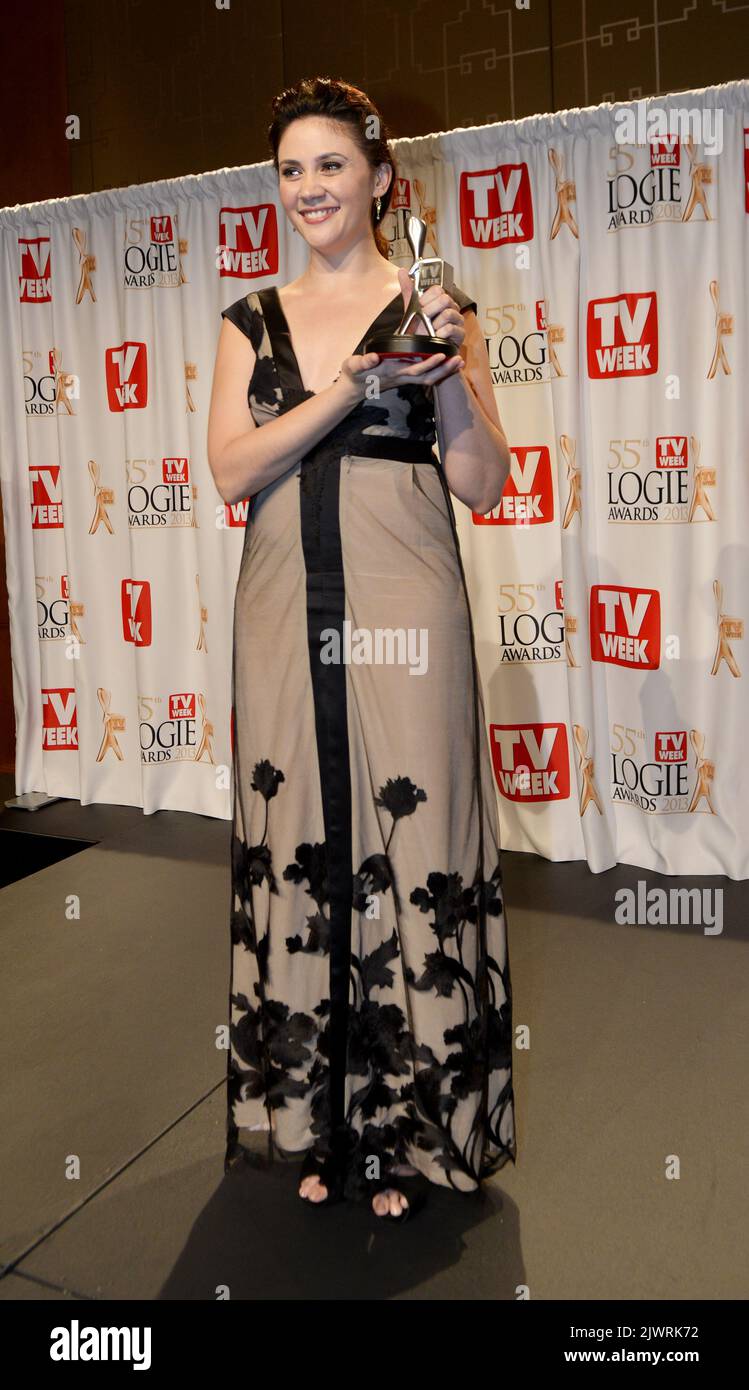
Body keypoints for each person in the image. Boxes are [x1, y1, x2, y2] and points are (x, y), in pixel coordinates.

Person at [207, 76, 516, 1224]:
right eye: (290, 170)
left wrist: (442, 388)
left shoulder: (438, 305)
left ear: (379, 180)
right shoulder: (250, 322)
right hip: (283, 611)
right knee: (303, 841)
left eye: (329, 165)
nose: (307, 189)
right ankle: (317, 1121)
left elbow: (481, 482)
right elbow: (233, 471)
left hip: (406, 605)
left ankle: (407, 1135)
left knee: (410, 838)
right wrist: (346, 389)